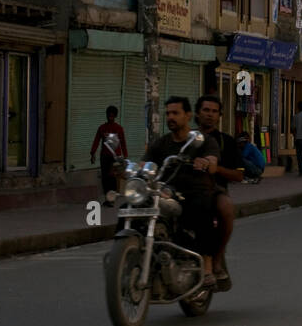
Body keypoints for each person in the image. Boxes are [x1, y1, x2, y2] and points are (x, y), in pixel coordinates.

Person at [141, 97, 223, 289]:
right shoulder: (161, 143)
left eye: (175, 113)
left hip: (194, 191)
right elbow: (146, 162)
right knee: (132, 204)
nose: (170, 117)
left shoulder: (202, 141)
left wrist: (205, 162)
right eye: (168, 113)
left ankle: (207, 268)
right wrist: (133, 168)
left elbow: (212, 163)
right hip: (166, 191)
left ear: (187, 116)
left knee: (202, 208)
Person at [194, 96, 244, 291]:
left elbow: (239, 175)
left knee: (225, 207)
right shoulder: (185, 138)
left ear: (220, 116)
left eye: (214, 111)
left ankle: (216, 259)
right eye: (206, 110)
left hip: (214, 191)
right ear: (197, 113)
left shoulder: (226, 142)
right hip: (183, 190)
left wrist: (216, 169)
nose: (210, 114)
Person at [89, 105, 129, 206]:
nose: (110, 118)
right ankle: (108, 199)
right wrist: (92, 153)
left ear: (115, 116)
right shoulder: (102, 128)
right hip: (104, 156)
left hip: (115, 157)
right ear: (106, 116)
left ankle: (112, 199)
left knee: (113, 178)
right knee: (105, 178)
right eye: (109, 116)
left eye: (112, 116)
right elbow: (96, 141)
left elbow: (123, 143)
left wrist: (125, 156)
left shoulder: (119, 128)